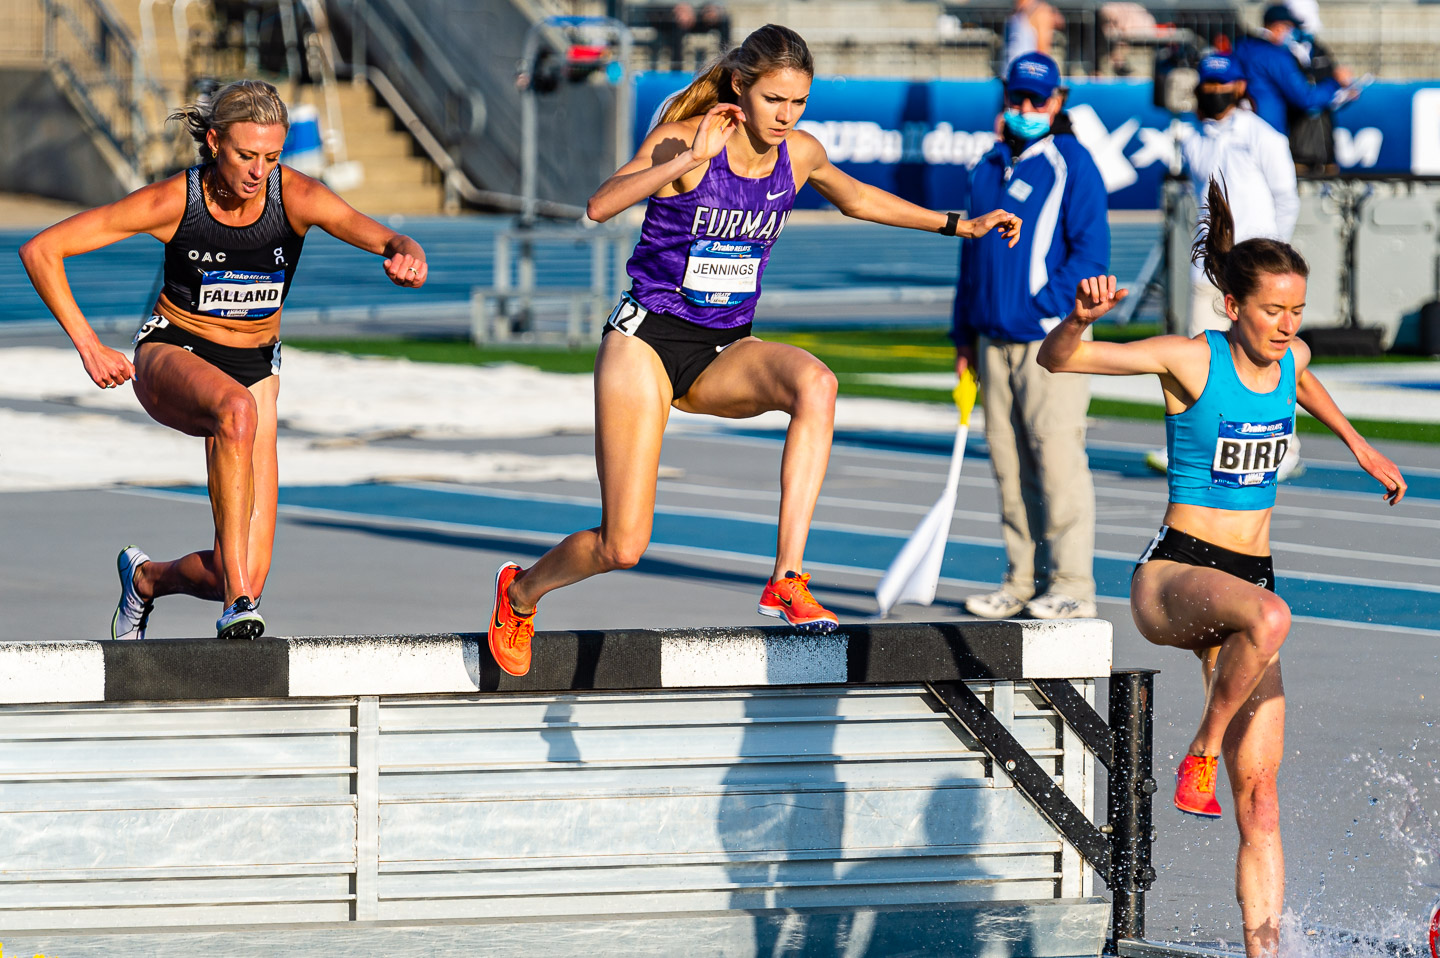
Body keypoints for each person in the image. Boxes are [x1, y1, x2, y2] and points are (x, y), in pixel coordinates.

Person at [485, 24, 1023, 677]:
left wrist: (958, 225)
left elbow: (857, 199)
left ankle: (787, 577)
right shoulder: (684, 139)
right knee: (622, 545)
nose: (786, 117)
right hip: (647, 343)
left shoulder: (798, 154)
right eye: (775, 101)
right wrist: (682, 162)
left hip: (723, 350)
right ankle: (520, 592)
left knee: (816, 384)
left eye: (798, 104)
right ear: (741, 85)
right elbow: (600, 206)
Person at [1036, 179, 1407, 958]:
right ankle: (1199, 750)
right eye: (1272, 310)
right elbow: (1060, 360)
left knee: (1262, 798)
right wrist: (1077, 320)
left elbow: (1304, 378)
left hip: (1247, 580)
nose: (1287, 326)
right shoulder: (1188, 358)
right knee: (1271, 618)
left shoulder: (1292, 353)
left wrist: (1359, 443)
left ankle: (1261, 952)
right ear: (1233, 306)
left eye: (1297, 312)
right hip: (1175, 576)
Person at [18, 79, 427, 641]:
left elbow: (389, 238)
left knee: (242, 573)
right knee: (235, 415)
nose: (259, 172)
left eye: (272, 157)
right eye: (245, 156)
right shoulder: (172, 203)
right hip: (173, 352)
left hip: (255, 367)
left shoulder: (296, 197)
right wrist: (89, 345)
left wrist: (407, 253)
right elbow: (41, 249)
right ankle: (236, 605)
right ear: (213, 142)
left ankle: (146, 582)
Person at [954, 51, 1108, 622]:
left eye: (1036, 101)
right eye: (1016, 99)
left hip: (1050, 346)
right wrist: (962, 333)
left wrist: (1039, 311)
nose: (1024, 109)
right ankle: (1022, 580)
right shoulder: (987, 167)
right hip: (991, 342)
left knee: (1058, 461)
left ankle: (1072, 584)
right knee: (1008, 466)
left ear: (1057, 102)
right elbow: (970, 262)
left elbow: (1091, 259)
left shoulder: (1073, 164)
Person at [1147, 53, 1305, 477]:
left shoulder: (1262, 135)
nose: (1214, 93)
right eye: (1208, 85)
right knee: (1201, 356)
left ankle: (1283, 447)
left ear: (1239, 88)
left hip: (1257, 274)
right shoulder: (1194, 136)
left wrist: (1274, 265)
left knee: (1267, 358)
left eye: (1223, 85)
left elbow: (1286, 198)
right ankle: (1197, 445)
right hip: (1211, 270)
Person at [1234, 4, 1352, 137]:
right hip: (1267, 132)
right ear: (1278, 27)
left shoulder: (1241, 47)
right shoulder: (1276, 56)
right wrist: (1335, 83)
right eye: (1290, 28)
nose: (1292, 33)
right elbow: (1305, 98)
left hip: (1237, 128)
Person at [1004, 0, 1062, 68]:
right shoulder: (1017, 11)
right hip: (1010, 73)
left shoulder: (1040, 12)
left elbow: (1043, 52)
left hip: (1026, 72)